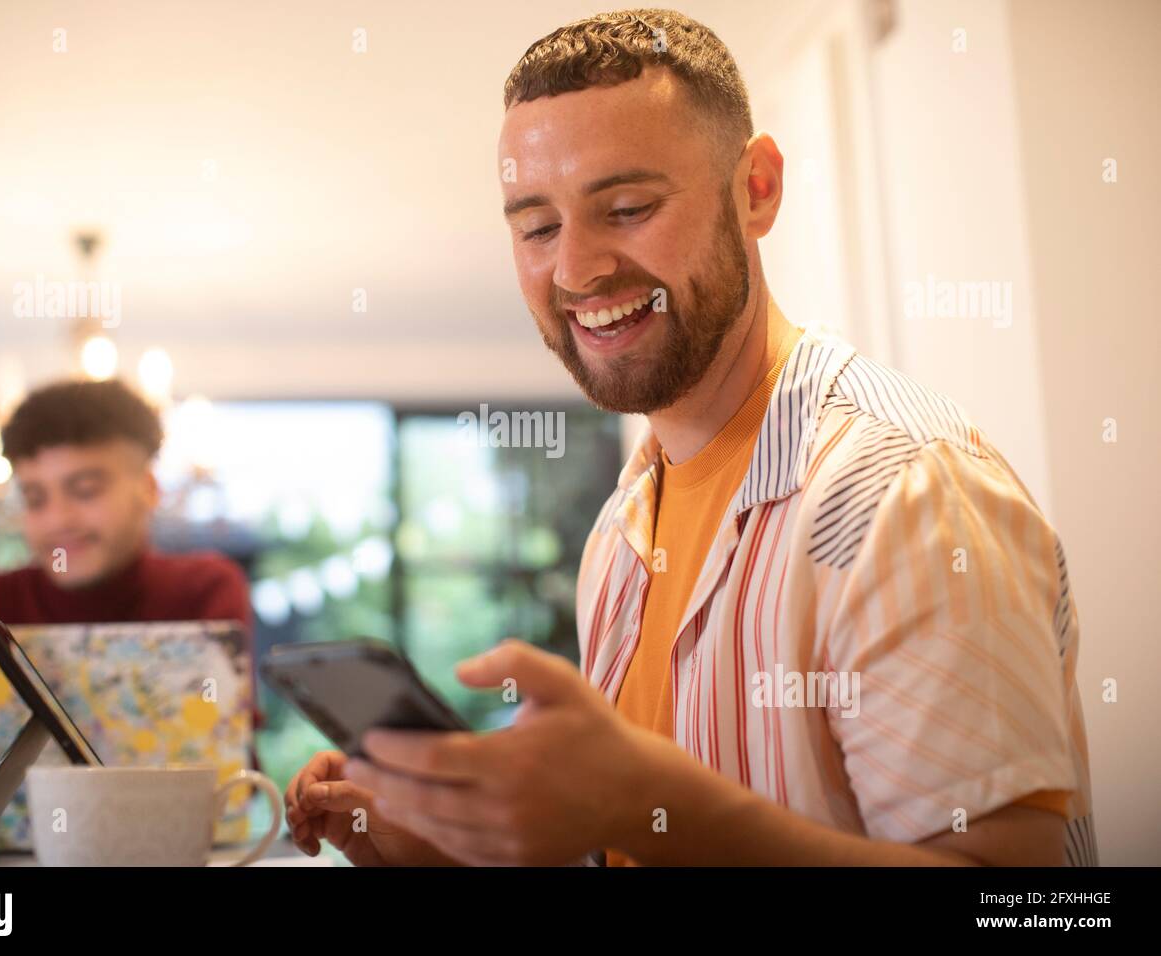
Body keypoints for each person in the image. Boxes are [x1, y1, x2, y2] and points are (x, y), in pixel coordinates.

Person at [285, 8, 1095, 866]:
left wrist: (647, 802)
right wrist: (425, 843)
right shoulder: (624, 528)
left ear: (757, 189)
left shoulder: (905, 491)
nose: (576, 270)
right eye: (537, 228)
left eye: (627, 207)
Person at [0, 378, 252, 844]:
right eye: (36, 498)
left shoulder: (205, 587)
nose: (58, 519)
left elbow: (232, 762)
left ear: (149, 488)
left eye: (83, 490)